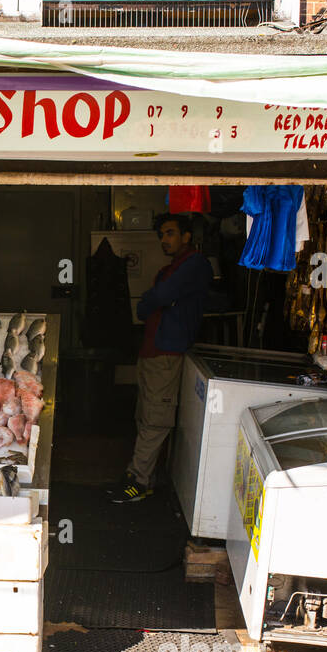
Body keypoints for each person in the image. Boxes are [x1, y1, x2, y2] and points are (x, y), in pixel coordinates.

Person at [119, 213, 212, 502]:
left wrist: (157, 299)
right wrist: (156, 299)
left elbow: (159, 297)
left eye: (170, 233)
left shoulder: (195, 264)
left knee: (155, 420)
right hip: (152, 351)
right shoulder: (169, 269)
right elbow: (148, 305)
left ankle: (140, 480)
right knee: (145, 415)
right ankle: (139, 474)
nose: (164, 239)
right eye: (162, 234)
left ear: (186, 236)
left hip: (167, 354)